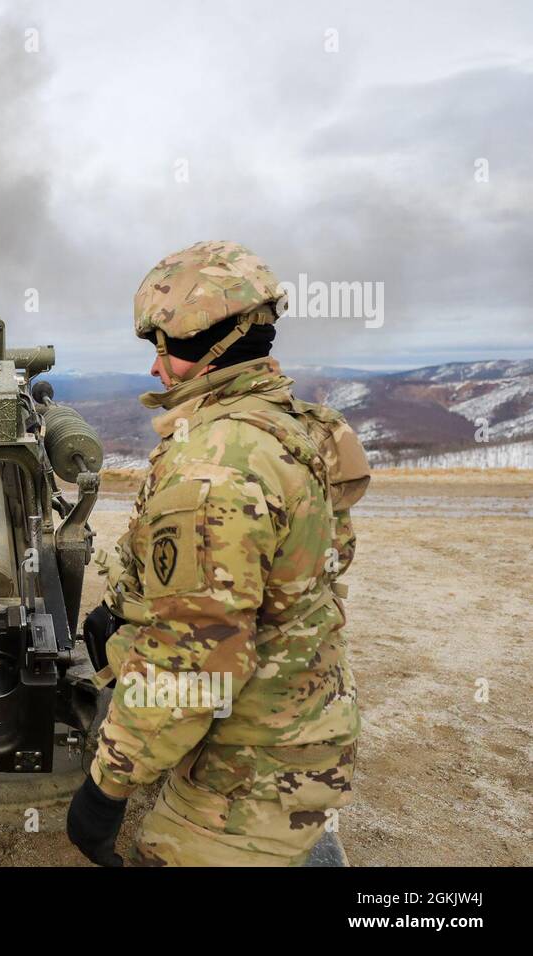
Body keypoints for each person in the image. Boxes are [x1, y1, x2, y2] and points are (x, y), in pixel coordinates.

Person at [68, 240, 370, 866]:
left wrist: (107, 787)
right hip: (304, 720)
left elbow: (192, 666)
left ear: (219, 346)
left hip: (249, 762)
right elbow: (323, 566)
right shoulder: (293, 426)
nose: (156, 367)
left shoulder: (212, 468)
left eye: (170, 347)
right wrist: (128, 607)